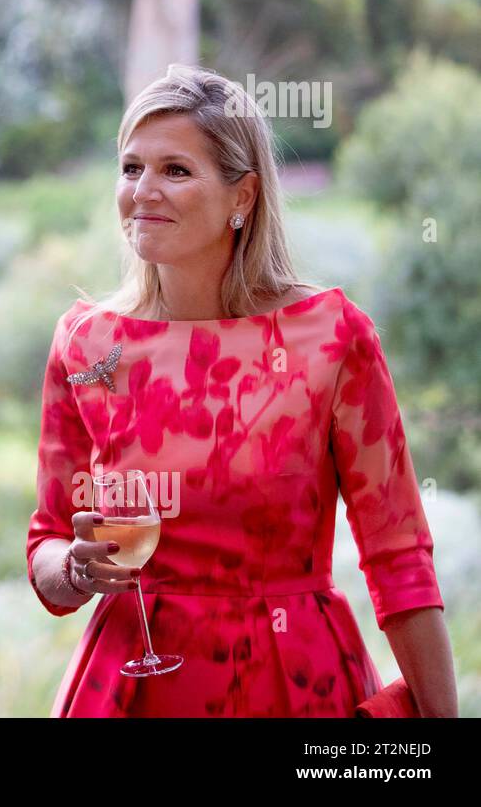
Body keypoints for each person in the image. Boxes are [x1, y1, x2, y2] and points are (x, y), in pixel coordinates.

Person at [26, 65, 456, 717]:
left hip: (288, 681)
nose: (144, 190)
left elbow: (399, 559)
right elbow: (49, 542)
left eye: (175, 169)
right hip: (131, 685)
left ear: (243, 196)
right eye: (130, 167)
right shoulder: (85, 342)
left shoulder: (333, 337)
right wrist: (78, 567)